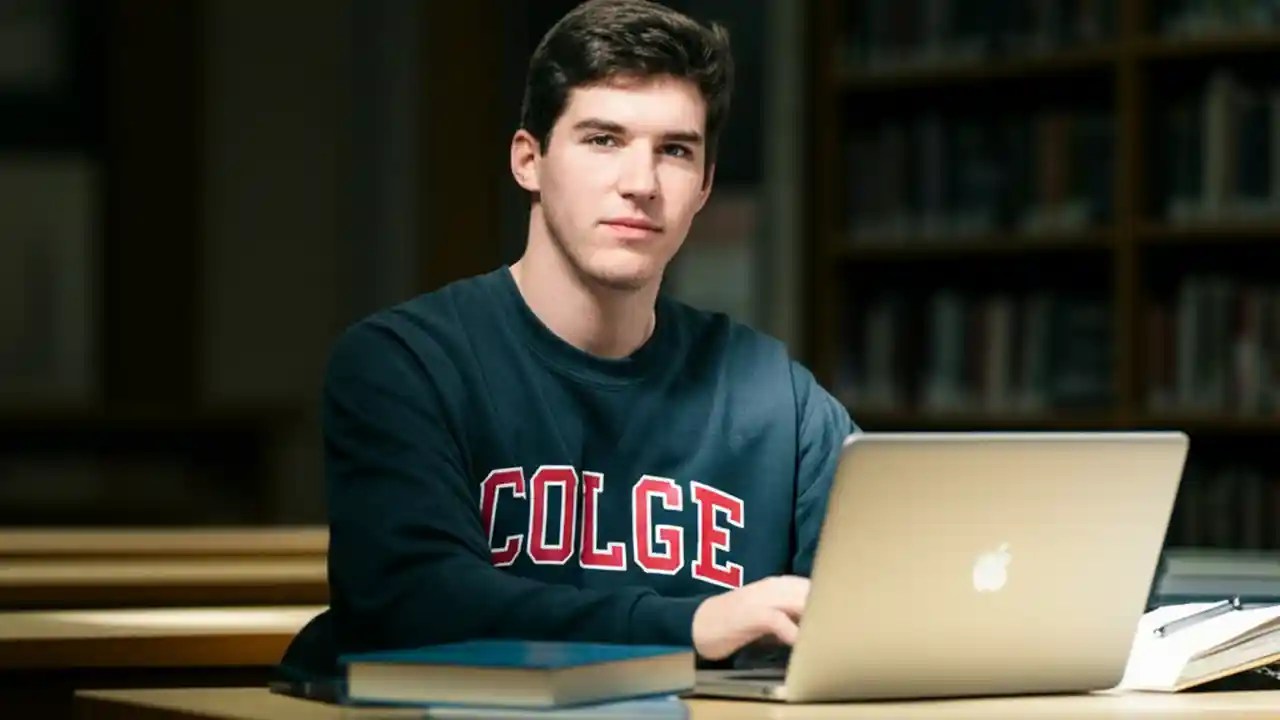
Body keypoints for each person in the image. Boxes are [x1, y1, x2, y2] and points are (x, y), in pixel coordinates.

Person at [280, 0, 857, 677]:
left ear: (703, 185)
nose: (640, 184)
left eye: (675, 151)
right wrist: (692, 624)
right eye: (603, 140)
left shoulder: (774, 398)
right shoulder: (405, 365)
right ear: (529, 160)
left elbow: (881, 599)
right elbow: (414, 604)